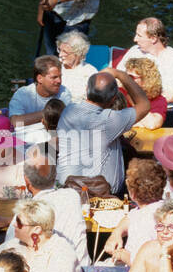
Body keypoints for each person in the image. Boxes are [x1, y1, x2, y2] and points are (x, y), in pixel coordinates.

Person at [55, 67, 150, 195]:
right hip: (97, 196)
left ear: (87, 90)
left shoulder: (69, 110)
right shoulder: (109, 120)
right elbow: (144, 104)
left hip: (65, 189)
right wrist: (120, 74)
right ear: (113, 99)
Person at [3, 158, 89, 269]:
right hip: (81, 271)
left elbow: (8, 253)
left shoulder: (24, 213)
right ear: (55, 176)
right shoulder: (72, 196)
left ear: (26, 181)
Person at [101, 158, 167, 265]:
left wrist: (121, 254)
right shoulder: (161, 207)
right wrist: (117, 233)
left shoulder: (143, 222)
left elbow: (144, 264)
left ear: (133, 194)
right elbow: (129, 218)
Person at [120, 18, 173, 109]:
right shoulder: (134, 51)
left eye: (139, 35)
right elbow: (118, 78)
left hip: (172, 109)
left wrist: (141, 105)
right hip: (137, 105)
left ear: (153, 38)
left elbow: (170, 96)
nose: (135, 39)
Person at [8, 56, 71, 145]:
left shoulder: (64, 93)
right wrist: (48, 113)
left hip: (53, 142)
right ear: (40, 78)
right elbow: (15, 122)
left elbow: (66, 123)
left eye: (60, 76)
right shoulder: (23, 94)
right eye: (54, 77)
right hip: (25, 143)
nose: (59, 81)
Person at [120, 57, 168, 130]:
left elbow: (152, 124)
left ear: (146, 79)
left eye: (131, 77)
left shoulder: (158, 100)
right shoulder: (118, 93)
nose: (127, 80)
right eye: (125, 76)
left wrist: (134, 99)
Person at [56, 30, 98, 103]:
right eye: (59, 50)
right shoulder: (55, 66)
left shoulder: (90, 72)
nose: (60, 55)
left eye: (65, 52)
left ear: (77, 54)